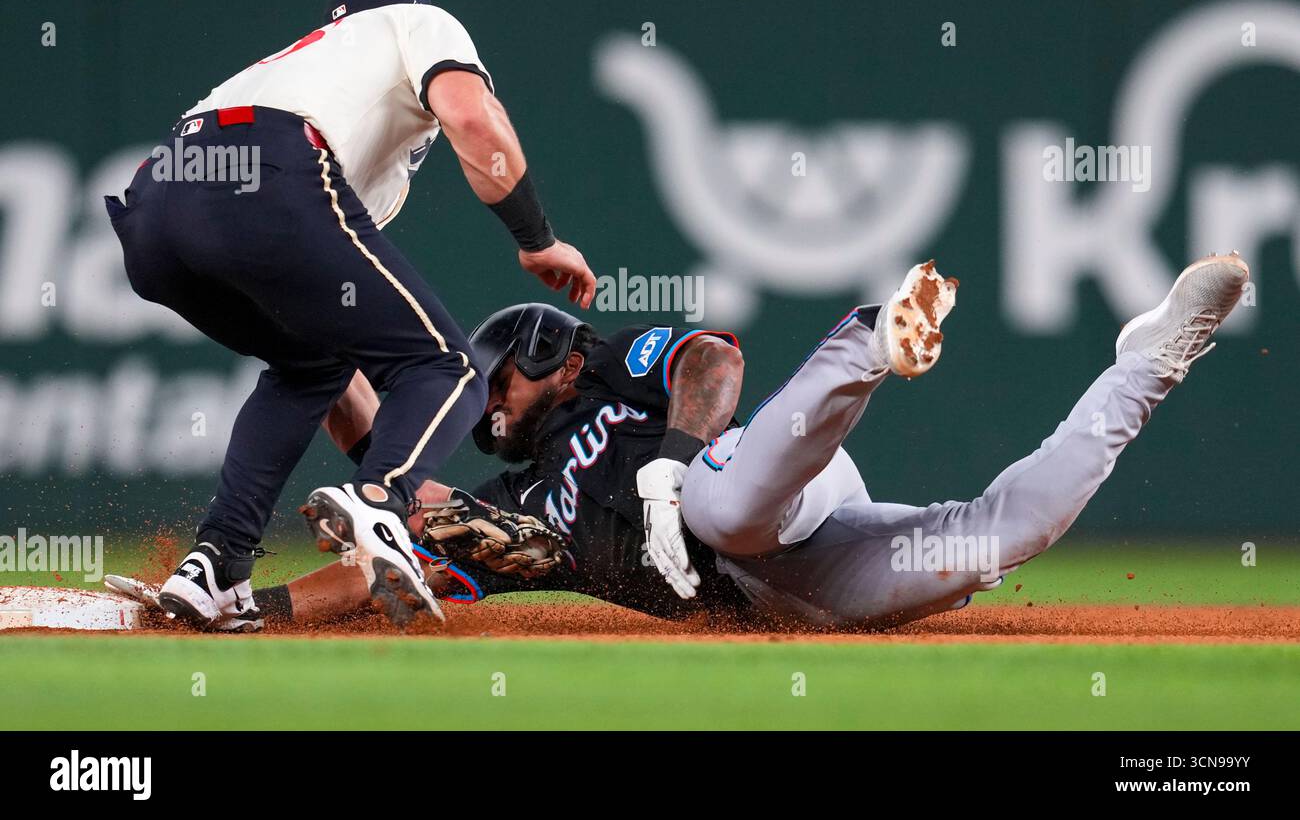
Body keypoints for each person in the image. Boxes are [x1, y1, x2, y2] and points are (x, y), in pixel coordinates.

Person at [110, 254, 1249, 631]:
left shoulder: (610, 367)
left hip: (762, 482)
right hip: (790, 585)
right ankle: (1148, 358)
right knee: (1007, 534)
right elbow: (384, 549)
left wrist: (671, 450)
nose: (478, 405)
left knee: (716, 504)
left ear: (545, 352)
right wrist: (251, 607)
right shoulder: (528, 507)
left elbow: (716, 352)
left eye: (492, 381)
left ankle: (871, 334)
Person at [107, 0, 596, 632]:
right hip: (269, 166)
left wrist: (401, 472)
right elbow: (472, 116)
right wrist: (536, 238)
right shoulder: (413, 22)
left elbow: (339, 356)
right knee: (449, 368)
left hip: (153, 211)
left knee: (311, 365)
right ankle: (378, 503)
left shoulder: (296, 75)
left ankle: (216, 564)